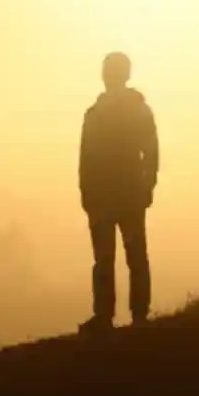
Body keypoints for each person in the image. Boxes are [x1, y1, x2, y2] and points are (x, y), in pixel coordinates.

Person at [78, 52, 159, 335]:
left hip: (114, 194)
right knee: (127, 255)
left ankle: (113, 316)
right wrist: (147, 184)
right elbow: (151, 152)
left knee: (113, 257)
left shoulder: (98, 113)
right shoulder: (133, 109)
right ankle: (130, 315)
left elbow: (150, 152)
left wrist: (86, 192)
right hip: (120, 194)